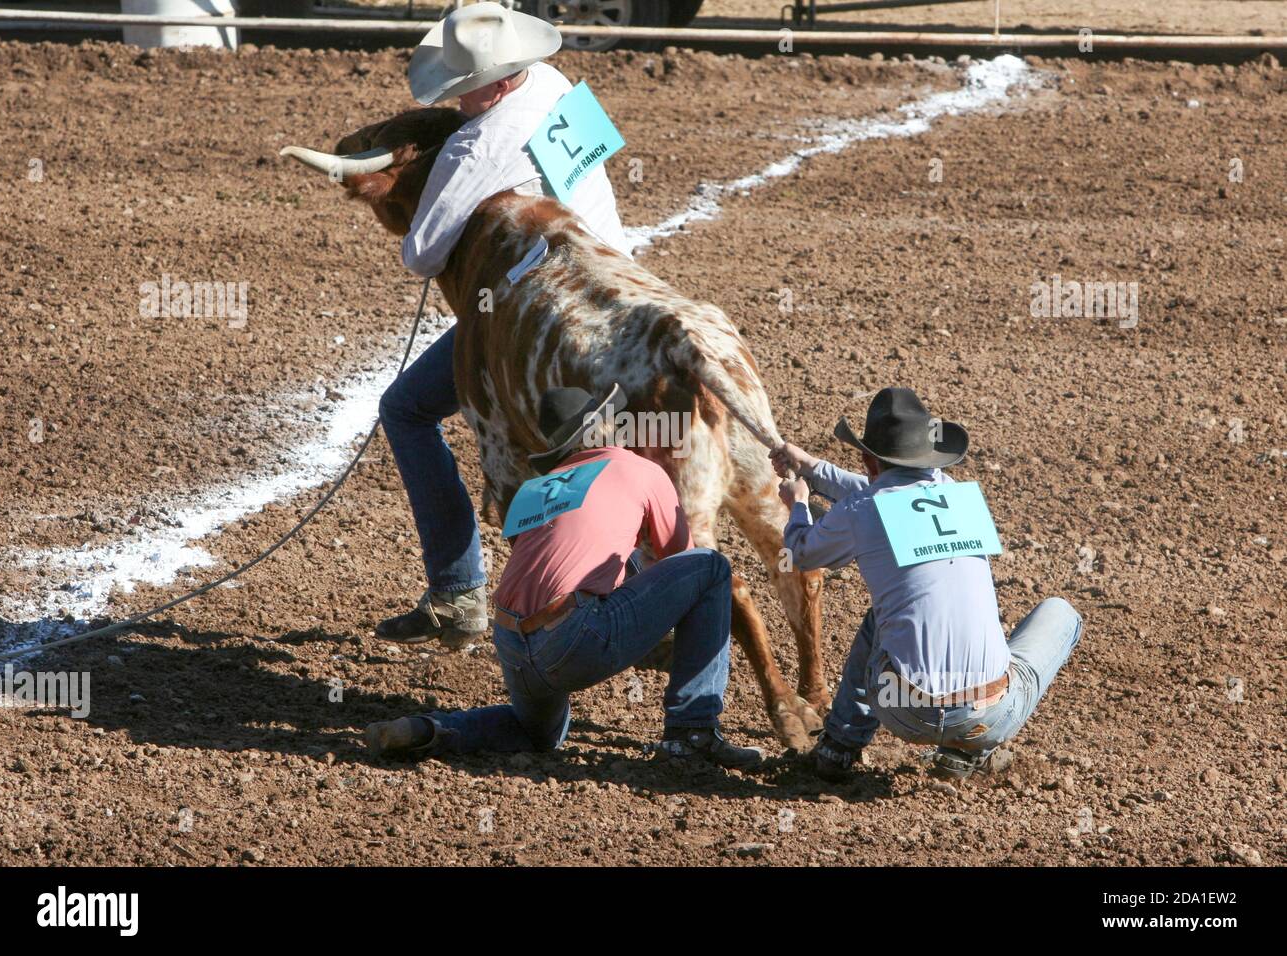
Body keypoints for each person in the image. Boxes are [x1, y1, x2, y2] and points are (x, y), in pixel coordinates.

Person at [375, 2, 632, 647]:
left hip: (541, 309)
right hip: (619, 280)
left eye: (464, 90)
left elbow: (422, 252)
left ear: (489, 82)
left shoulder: (478, 143)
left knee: (406, 409)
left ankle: (459, 593)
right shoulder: (552, 82)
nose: (460, 102)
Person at [365, 385, 763, 769]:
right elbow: (682, 561)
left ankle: (430, 729)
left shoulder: (533, 490)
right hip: (575, 637)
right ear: (600, 428)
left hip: (512, 641)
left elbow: (550, 560)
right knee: (711, 568)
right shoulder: (640, 470)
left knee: (535, 732)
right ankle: (692, 731)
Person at [771, 387, 1083, 781]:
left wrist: (797, 502)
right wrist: (815, 470)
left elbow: (801, 551)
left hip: (904, 707)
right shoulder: (955, 494)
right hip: (991, 716)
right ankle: (966, 753)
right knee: (1062, 613)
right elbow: (884, 498)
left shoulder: (864, 509)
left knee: (885, 614)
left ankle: (839, 747)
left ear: (868, 461)